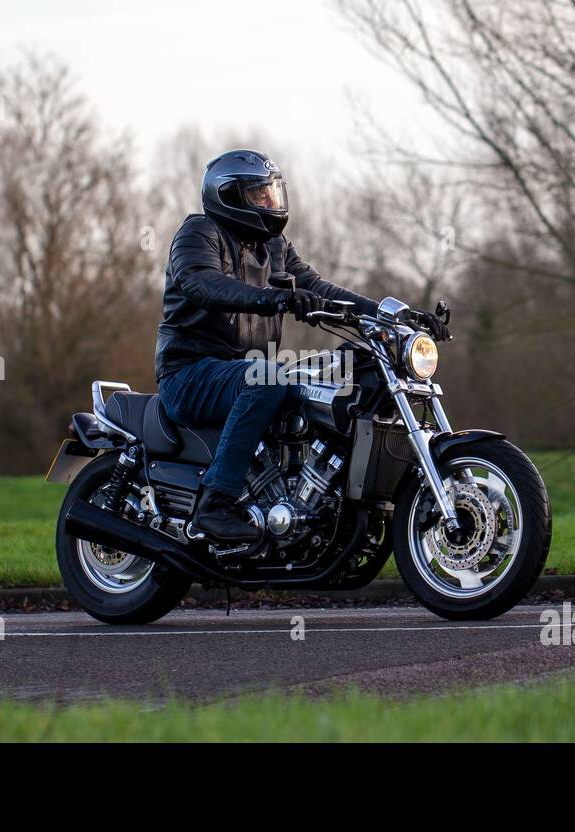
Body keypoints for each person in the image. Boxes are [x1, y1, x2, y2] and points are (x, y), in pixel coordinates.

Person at [156, 149, 449, 543]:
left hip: (250, 369)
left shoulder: (274, 247)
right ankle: (215, 504)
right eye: (258, 195)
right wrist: (272, 298)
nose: (269, 203)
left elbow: (317, 287)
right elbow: (202, 282)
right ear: (228, 196)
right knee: (267, 380)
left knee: (345, 370)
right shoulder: (198, 234)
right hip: (190, 373)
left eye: (271, 194)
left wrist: (394, 316)